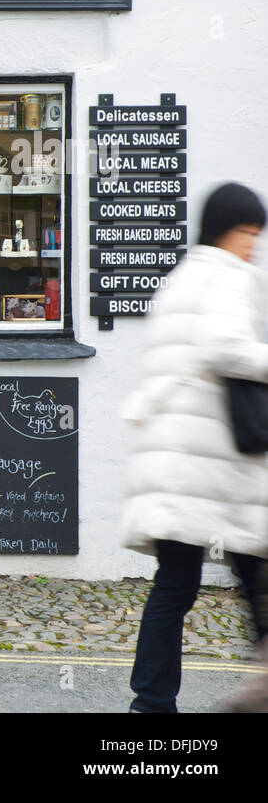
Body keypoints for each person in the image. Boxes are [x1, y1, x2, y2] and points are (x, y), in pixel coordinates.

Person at [121, 181, 268, 712]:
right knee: (254, 574)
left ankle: (151, 703)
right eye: (249, 232)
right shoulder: (228, 277)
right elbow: (227, 347)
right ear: (227, 230)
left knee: (176, 584)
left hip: (175, 463)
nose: (253, 245)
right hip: (213, 469)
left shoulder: (180, 279)